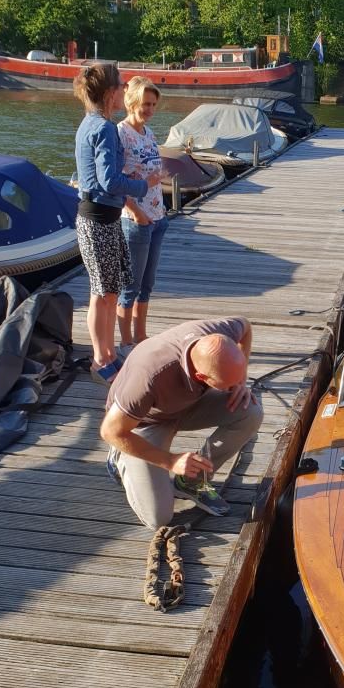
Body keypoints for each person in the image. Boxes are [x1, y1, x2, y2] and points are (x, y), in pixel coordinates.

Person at [99, 316, 263, 524]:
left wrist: (240, 381)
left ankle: (191, 481)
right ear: (202, 377)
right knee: (158, 517)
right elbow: (110, 431)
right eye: (226, 383)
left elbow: (246, 325)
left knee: (250, 411)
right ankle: (118, 457)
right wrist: (170, 461)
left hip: (187, 404)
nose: (232, 387)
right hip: (144, 422)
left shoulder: (218, 332)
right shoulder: (148, 377)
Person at [73, 63, 151, 385]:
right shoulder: (104, 128)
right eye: (120, 85)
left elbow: (100, 177)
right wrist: (139, 185)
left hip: (102, 218)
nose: (124, 89)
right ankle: (100, 359)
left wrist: (124, 179)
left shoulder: (92, 123)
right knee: (101, 293)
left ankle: (106, 354)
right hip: (98, 220)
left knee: (109, 292)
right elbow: (107, 181)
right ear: (109, 94)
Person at [117, 78, 169, 352]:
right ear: (132, 102)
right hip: (136, 220)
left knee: (147, 285)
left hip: (157, 215)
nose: (149, 109)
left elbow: (150, 170)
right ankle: (125, 342)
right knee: (130, 286)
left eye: (153, 105)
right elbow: (116, 181)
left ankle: (141, 336)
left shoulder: (148, 132)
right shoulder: (121, 134)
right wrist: (136, 213)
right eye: (145, 104)